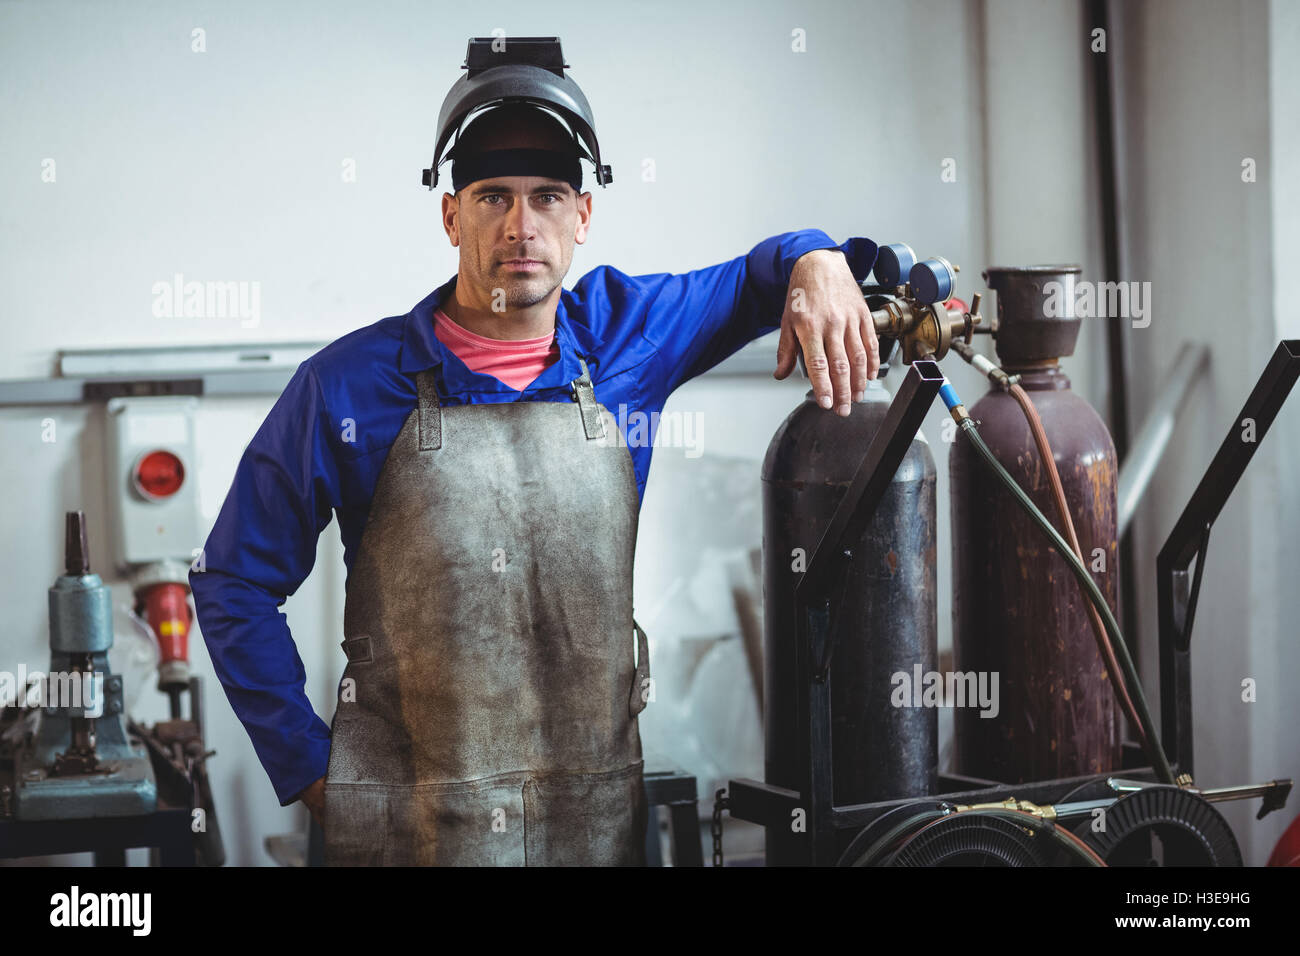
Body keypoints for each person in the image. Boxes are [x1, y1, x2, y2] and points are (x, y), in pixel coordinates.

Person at [190, 66, 881, 866]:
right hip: (408, 837)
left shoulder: (629, 342)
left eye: (548, 195)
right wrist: (310, 767)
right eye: (493, 197)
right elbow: (232, 579)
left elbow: (763, 274)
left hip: (591, 829)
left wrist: (821, 261)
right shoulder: (349, 384)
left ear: (583, 215)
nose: (521, 225)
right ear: (452, 215)